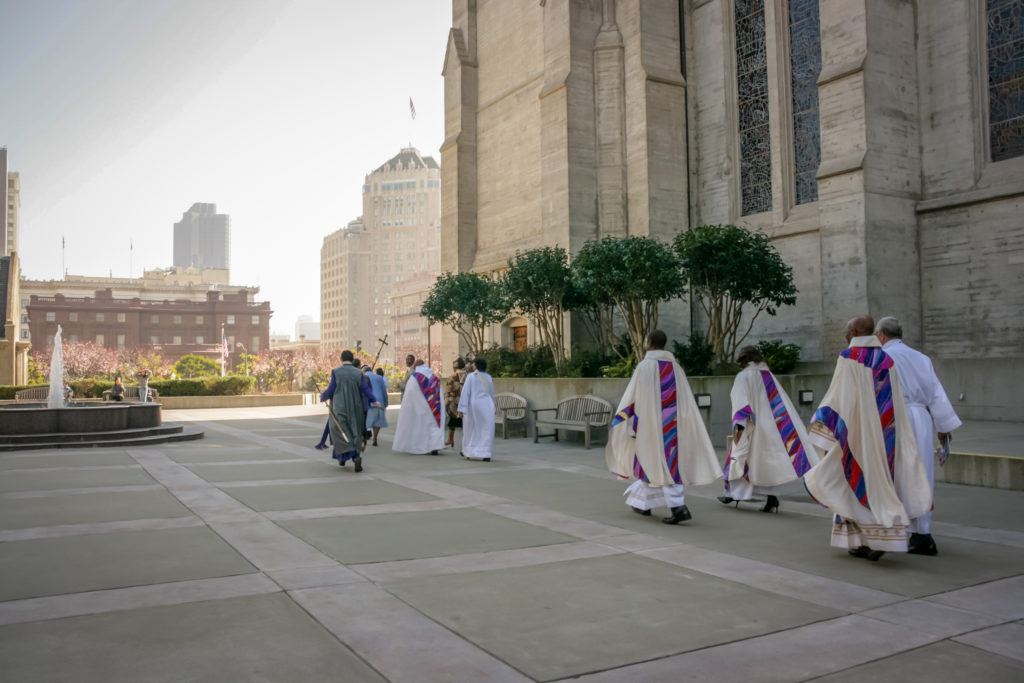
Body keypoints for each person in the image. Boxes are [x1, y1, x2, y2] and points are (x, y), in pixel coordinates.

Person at [804, 315, 932, 561]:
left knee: (849, 481)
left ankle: (867, 539)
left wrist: (821, 422)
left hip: (855, 433)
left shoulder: (849, 357)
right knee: (879, 482)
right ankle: (869, 539)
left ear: (855, 332)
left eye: (847, 328)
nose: (844, 332)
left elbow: (837, 398)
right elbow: (892, 399)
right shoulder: (886, 359)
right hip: (886, 433)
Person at [606, 330, 722, 524]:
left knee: (659, 464)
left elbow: (633, 396)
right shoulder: (675, 367)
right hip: (673, 427)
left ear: (649, 342)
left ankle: (679, 508)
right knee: (651, 462)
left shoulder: (644, 366)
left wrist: (623, 419)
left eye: (645, 339)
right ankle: (642, 504)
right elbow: (684, 398)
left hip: (649, 426)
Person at [875, 316, 962, 556]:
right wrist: (943, 426)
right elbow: (936, 393)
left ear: (881, 335)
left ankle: (892, 529)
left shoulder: (883, 357)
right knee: (922, 472)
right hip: (922, 419)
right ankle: (922, 532)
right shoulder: (922, 358)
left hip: (895, 418)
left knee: (893, 473)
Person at [718, 346, 818, 513]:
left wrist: (739, 431)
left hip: (750, 425)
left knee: (742, 457)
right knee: (766, 463)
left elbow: (740, 405)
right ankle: (772, 498)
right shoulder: (768, 375)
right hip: (772, 427)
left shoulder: (743, 377)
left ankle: (733, 494)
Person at [319, 350, 379, 472]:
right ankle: (356, 456)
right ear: (352, 360)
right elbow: (365, 389)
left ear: (341, 359)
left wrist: (323, 396)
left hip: (339, 408)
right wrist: (374, 400)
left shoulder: (336, 372)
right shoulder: (358, 373)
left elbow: (331, 390)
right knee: (354, 431)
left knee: (339, 431)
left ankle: (343, 456)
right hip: (356, 408)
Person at [393, 358, 445, 455]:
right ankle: (435, 447)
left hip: (420, 409)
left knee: (421, 428)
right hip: (434, 408)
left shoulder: (415, 378)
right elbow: (440, 394)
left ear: (416, 367)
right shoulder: (434, 378)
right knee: (433, 427)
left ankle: (421, 447)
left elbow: (409, 394)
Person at [457, 357, 495, 462]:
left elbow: (465, 393)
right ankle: (486, 453)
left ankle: (468, 452)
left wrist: (461, 409)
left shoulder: (471, 376)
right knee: (486, 429)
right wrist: (493, 407)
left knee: (470, 429)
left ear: (476, 365)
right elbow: (491, 393)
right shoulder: (489, 377)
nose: (472, 366)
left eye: (473, 364)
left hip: (473, 405)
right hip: (487, 405)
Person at [364, 364, 389, 447]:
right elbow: (383, 391)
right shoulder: (379, 377)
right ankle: (375, 438)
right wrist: (385, 402)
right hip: (379, 401)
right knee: (377, 422)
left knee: (367, 421)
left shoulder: (363, 377)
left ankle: (364, 437)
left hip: (368, 402)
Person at [444, 357, 466, 447]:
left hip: (454, 403)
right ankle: (467, 441)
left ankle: (450, 439)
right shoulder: (468, 376)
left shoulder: (452, 377)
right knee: (465, 422)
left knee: (452, 421)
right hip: (465, 402)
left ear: (455, 367)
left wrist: (446, 403)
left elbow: (448, 391)